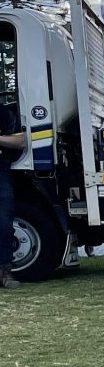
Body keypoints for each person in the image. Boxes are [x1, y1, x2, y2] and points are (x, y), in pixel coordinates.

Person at [0, 102, 23, 289]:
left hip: (0, 172)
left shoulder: (3, 113)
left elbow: (20, 141)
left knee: (3, 223)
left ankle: (5, 272)